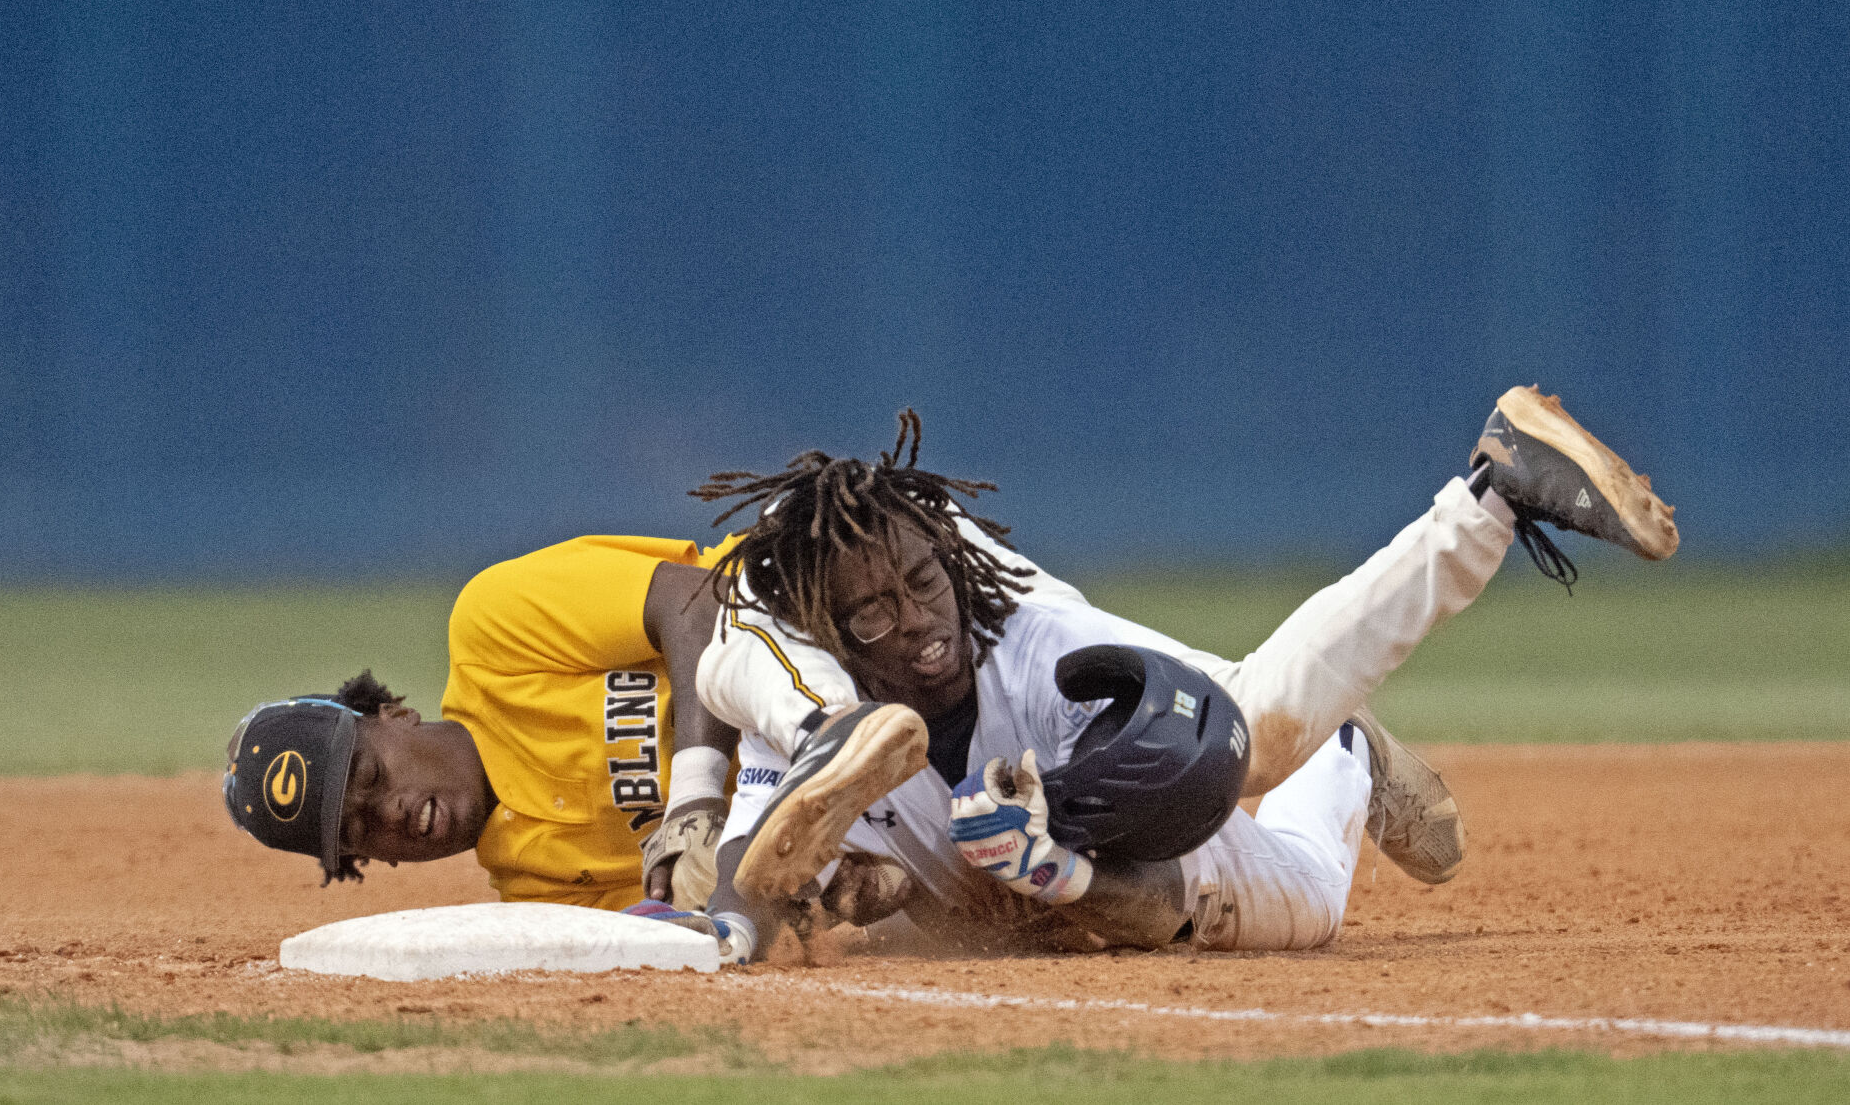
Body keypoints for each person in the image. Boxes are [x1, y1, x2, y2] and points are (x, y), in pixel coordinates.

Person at [664, 387, 1676, 961]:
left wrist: (1056, 865)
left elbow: (1151, 901)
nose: (915, 623)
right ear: (831, 636)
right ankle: (844, 741)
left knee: (1271, 773)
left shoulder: (1036, 650)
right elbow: (765, 880)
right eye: (873, 614)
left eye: (923, 583)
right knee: (772, 618)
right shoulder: (790, 688)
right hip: (854, 741)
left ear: (950, 559)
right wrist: (789, 900)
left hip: (1115, 765)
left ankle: (1484, 502)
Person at [222, 534, 745, 911]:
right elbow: (694, 917)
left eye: (370, 776)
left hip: (792, 613)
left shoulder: (492, 634)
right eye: (359, 831)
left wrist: (695, 794)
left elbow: (697, 604)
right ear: (377, 860)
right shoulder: (540, 890)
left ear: (395, 715)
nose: (391, 811)